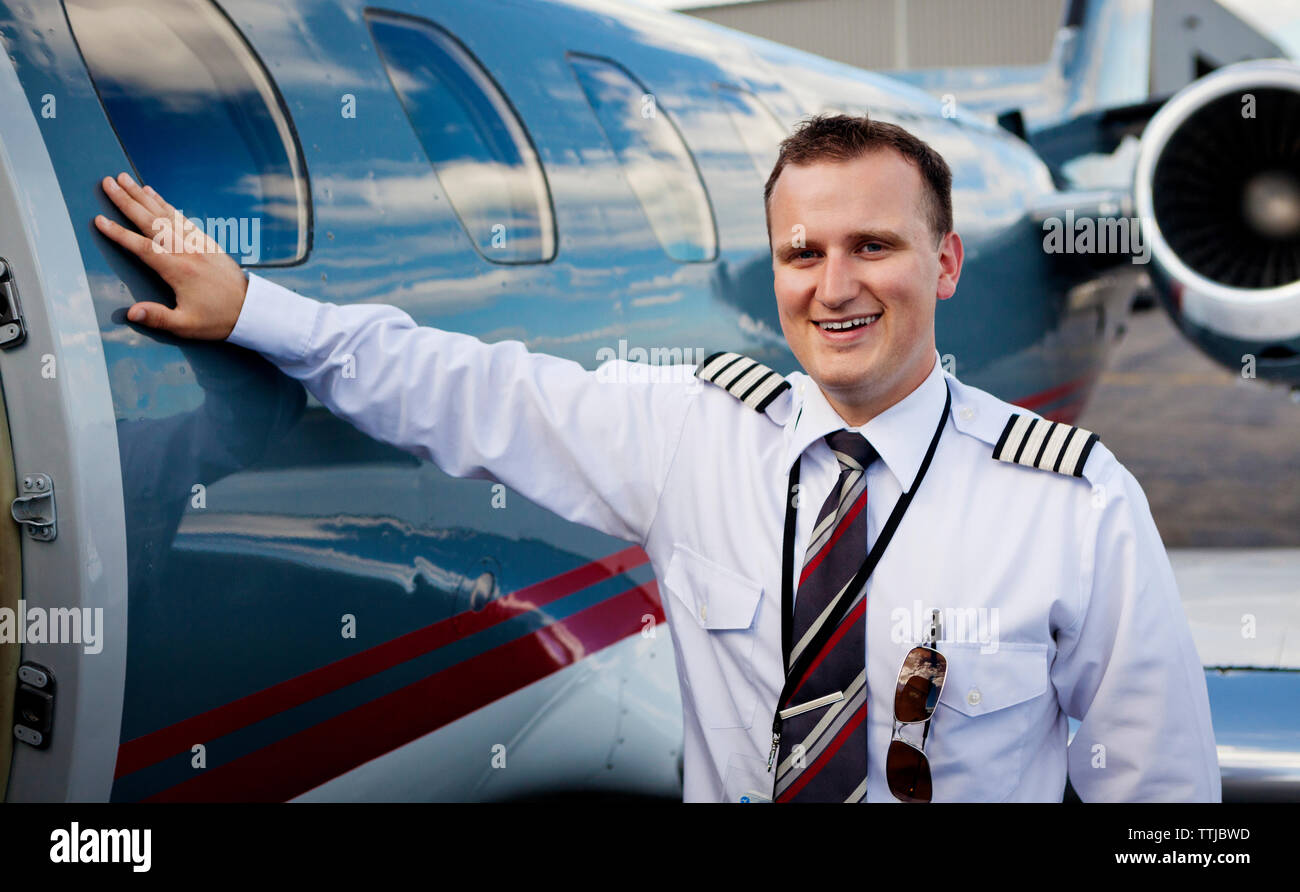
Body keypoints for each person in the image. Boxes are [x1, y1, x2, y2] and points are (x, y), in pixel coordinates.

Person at [93, 113, 1221, 802]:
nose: (833, 287)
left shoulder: (1072, 502)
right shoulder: (694, 434)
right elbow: (463, 389)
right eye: (802, 251)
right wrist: (254, 307)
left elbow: (1161, 796)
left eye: (874, 245)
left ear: (948, 263)